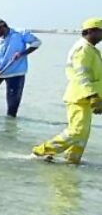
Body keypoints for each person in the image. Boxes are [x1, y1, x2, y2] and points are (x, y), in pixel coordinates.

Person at [32, 18, 102, 164]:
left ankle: (71, 161)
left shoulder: (90, 49)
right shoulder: (83, 49)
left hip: (86, 98)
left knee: (82, 135)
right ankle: (42, 151)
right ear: (90, 31)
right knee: (76, 131)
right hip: (79, 97)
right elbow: (81, 75)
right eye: (101, 32)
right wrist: (93, 95)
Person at [0, 19, 42, 117]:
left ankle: (10, 121)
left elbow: (37, 43)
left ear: (2, 27)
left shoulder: (20, 33)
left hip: (16, 72)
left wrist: (22, 54)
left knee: (13, 102)